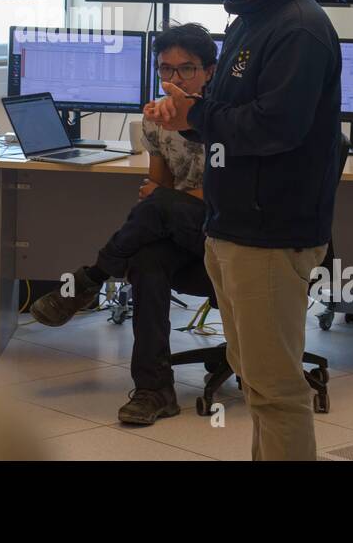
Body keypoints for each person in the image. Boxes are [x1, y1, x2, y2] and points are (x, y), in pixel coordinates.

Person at [146, 0, 342, 461]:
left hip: (270, 233)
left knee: (277, 392)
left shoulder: (298, 29)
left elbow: (276, 127)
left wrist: (196, 115)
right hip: (231, 226)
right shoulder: (250, 20)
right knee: (255, 381)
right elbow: (231, 108)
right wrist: (186, 106)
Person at [29, 23, 219, 426]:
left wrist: (164, 199)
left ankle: (91, 278)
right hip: (183, 229)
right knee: (147, 261)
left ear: (210, 72)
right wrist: (163, 197)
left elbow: (223, 198)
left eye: (186, 69)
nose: (173, 80)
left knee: (159, 207)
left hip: (226, 234)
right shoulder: (155, 119)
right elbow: (158, 185)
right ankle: (155, 390)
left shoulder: (226, 122)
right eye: (165, 70)